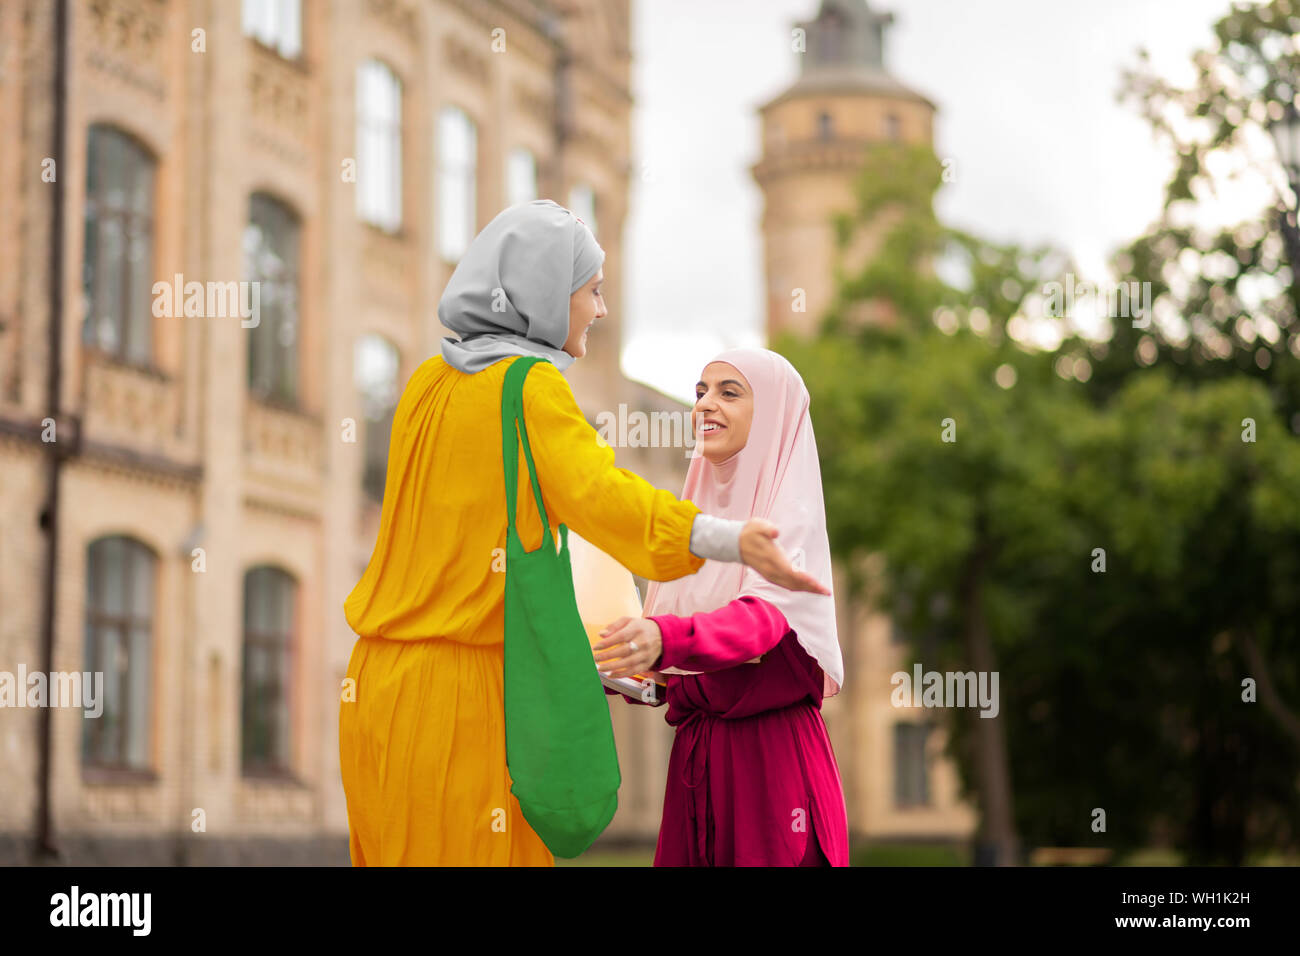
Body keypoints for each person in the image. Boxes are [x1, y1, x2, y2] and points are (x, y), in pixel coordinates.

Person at [338, 201, 828, 866]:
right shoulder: (528, 385)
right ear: (545, 292)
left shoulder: (426, 383)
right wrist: (725, 538)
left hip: (378, 690)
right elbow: (601, 496)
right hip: (465, 700)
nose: (600, 310)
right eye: (591, 291)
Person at [593, 348, 849, 866]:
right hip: (696, 772)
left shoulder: (787, 516)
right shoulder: (697, 526)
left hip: (772, 775)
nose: (706, 404)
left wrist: (664, 637)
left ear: (773, 414)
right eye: (700, 392)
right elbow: (673, 676)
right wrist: (615, 660)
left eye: (729, 392)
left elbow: (759, 623)